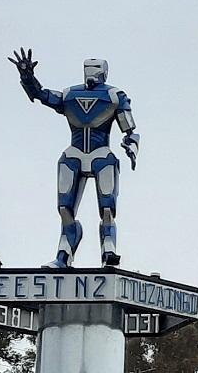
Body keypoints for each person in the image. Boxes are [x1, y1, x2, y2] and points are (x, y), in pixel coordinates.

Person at [9, 48, 140, 267]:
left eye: (95, 69)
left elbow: (129, 128)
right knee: (65, 209)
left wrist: (131, 144)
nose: (91, 73)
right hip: (75, 152)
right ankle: (64, 255)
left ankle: (108, 252)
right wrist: (27, 76)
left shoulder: (114, 96)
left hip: (101, 153)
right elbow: (41, 95)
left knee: (107, 208)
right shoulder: (71, 94)